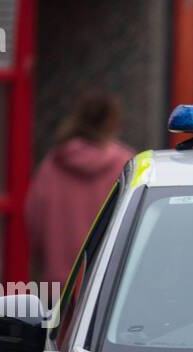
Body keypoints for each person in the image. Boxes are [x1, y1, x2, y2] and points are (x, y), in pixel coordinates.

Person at [25, 92, 134, 285]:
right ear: (111, 123)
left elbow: (33, 219)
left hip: (59, 286)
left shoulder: (53, 163)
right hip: (106, 284)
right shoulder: (126, 165)